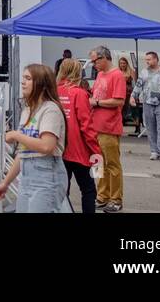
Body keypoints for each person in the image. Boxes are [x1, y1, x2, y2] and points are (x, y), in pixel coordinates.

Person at [0, 64, 68, 213]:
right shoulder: (28, 110)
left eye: (28, 78)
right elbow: (23, 153)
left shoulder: (50, 109)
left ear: (41, 84)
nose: (23, 82)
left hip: (46, 175)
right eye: (23, 78)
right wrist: (6, 183)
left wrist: (16, 135)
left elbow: (47, 146)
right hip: (27, 177)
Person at [57, 58, 102, 212]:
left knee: (62, 191)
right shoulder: (79, 93)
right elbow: (86, 126)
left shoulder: (54, 91)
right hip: (78, 151)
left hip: (58, 149)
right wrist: (96, 151)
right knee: (88, 190)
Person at [88, 45, 127, 211]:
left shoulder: (117, 75)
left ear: (104, 58)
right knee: (98, 164)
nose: (93, 64)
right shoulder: (100, 74)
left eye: (95, 60)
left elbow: (119, 101)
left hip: (109, 127)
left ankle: (115, 199)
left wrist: (96, 103)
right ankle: (102, 195)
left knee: (112, 165)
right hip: (96, 126)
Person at [132, 50, 160, 163]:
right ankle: (154, 151)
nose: (147, 61)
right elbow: (138, 86)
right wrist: (133, 96)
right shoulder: (143, 72)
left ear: (156, 59)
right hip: (147, 104)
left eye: (149, 59)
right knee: (150, 128)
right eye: (146, 60)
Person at [116, 55, 136, 134]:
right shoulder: (117, 72)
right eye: (121, 63)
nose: (122, 65)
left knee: (129, 110)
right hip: (120, 93)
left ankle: (136, 126)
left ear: (126, 64)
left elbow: (135, 81)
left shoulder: (130, 71)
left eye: (124, 63)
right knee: (120, 110)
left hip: (128, 94)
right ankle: (119, 127)